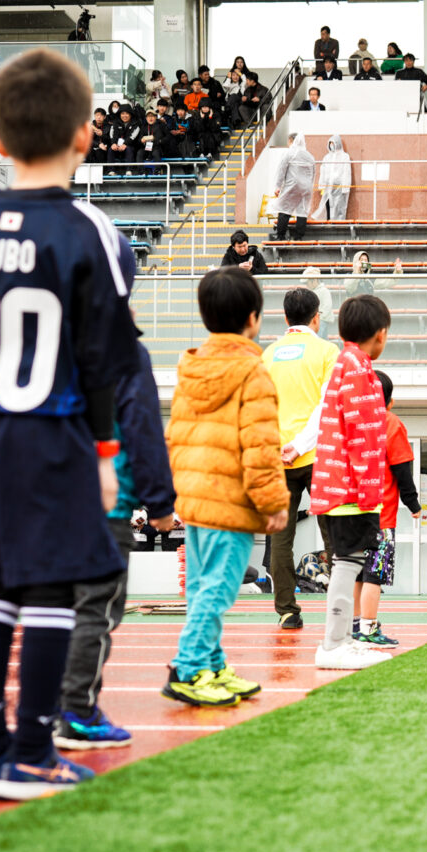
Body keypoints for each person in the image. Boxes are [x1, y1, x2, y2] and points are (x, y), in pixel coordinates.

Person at [0, 49, 148, 802]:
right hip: (51, 429)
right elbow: (104, 361)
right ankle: (32, 750)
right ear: (86, 135)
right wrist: (105, 451)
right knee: (55, 591)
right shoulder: (89, 231)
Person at [161, 266, 287, 707]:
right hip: (230, 503)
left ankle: (211, 664)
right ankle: (189, 667)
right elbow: (260, 445)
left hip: (196, 500)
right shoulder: (253, 371)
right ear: (253, 318)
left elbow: (176, 435)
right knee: (217, 591)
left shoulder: (191, 367)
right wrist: (272, 501)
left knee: (203, 588)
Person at [55, 357, 176, 752]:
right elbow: (143, 429)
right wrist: (160, 502)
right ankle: (77, 712)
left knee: (53, 611)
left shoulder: (53, 341)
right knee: (95, 610)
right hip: (105, 505)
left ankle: (45, 711)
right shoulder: (123, 352)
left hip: (49, 503)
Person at [307, 293, 394, 670]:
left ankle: (341, 639)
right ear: (380, 333)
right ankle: (333, 643)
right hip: (349, 490)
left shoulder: (346, 363)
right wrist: (368, 489)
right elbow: (363, 434)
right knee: (347, 564)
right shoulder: (358, 369)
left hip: (339, 484)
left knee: (349, 562)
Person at [266, 287, 340, 632]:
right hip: (317, 454)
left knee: (281, 539)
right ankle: (340, 608)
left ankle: (286, 611)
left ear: (285, 318)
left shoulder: (268, 355)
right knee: (333, 534)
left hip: (276, 456)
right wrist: (299, 445)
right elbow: (326, 406)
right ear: (316, 318)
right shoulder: (327, 351)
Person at [351, 369, 420, 649]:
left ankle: (355, 624)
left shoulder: (350, 422)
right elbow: (402, 470)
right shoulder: (390, 423)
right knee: (374, 574)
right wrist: (413, 504)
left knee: (355, 572)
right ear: (389, 401)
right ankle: (368, 628)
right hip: (380, 516)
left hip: (349, 513)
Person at [272, 132, 317, 240]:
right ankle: (298, 237)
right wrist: (310, 187)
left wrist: (278, 186)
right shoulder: (310, 156)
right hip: (306, 187)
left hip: (292, 186)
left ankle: (281, 236)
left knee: (284, 209)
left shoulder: (289, 153)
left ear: (291, 141)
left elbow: (281, 170)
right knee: (302, 211)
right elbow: (313, 174)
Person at [314, 134, 353, 222]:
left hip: (339, 188)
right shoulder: (327, 157)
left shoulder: (344, 156)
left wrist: (345, 187)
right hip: (328, 187)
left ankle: (339, 225)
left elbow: (347, 172)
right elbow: (323, 172)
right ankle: (329, 223)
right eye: (330, 143)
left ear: (338, 143)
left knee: (339, 208)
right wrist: (322, 185)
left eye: (333, 143)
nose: (332, 145)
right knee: (328, 206)